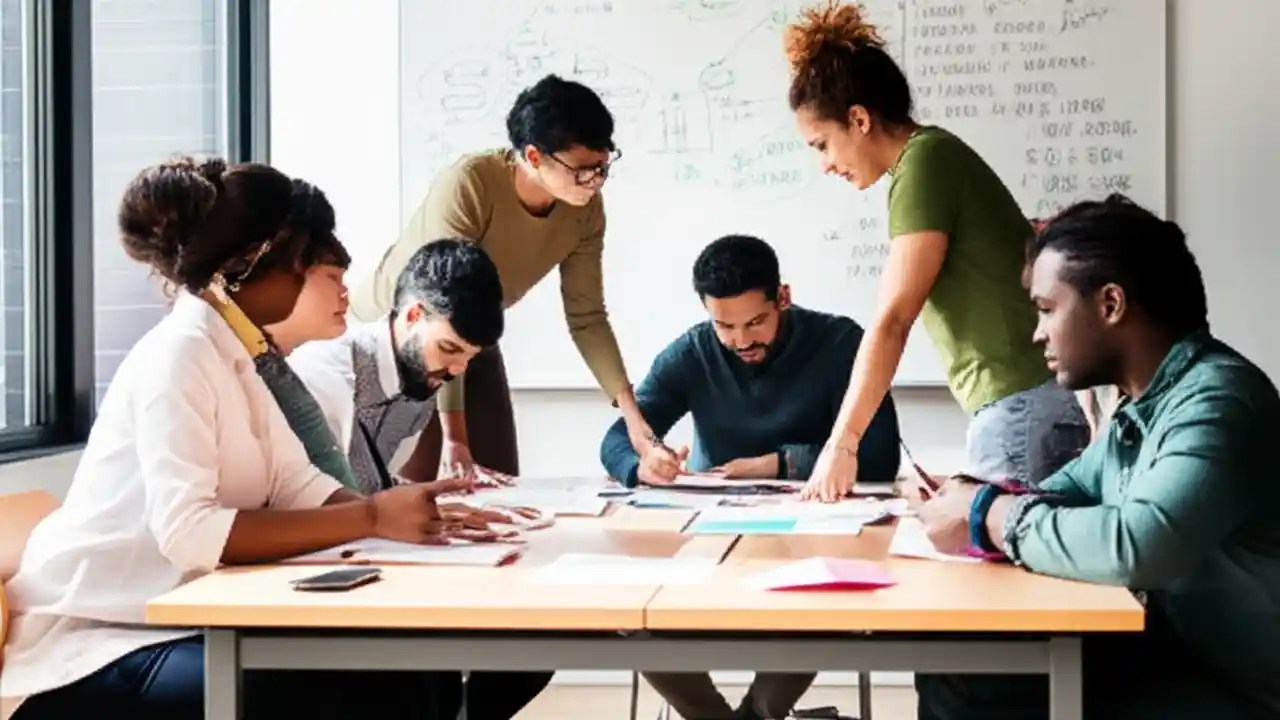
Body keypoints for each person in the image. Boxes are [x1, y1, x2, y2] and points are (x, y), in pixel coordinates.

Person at [0, 158, 461, 720]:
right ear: (243, 268)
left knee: (407, 672)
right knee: (354, 684)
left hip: (173, 621)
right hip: (98, 643)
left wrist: (400, 515)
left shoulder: (237, 352)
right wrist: (371, 519)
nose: (302, 280)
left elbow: (297, 482)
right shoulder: (181, 354)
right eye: (297, 266)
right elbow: (190, 532)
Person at [916, 195, 1280, 719]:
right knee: (962, 668)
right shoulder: (1141, 407)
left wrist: (984, 514)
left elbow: (1139, 543)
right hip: (1181, 650)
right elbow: (1061, 493)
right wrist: (972, 492)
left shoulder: (1218, 400)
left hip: (1239, 687)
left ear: (1110, 304)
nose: (1037, 332)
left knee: (978, 680)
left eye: (1046, 309)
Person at [782, 1, 1088, 502]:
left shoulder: (924, 165)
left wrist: (842, 444)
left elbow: (893, 319)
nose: (824, 164)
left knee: (1000, 576)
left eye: (821, 144)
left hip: (1020, 405)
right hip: (1026, 404)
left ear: (858, 119)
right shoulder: (930, 159)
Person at [600, 235, 901, 720]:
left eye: (756, 322)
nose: (741, 341)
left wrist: (778, 463)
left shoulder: (840, 342)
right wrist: (643, 463)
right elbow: (617, 439)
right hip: (713, 536)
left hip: (814, 532)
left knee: (825, 605)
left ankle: (760, 714)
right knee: (634, 617)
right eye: (725, 326)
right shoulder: (693, 352)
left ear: (783, 297)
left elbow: (881, 456)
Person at [349, 73, 659, 488]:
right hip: (407, 335)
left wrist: (634, 420)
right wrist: (455, 439)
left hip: (471, 336)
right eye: (583, 170)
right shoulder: (470, 183)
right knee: (422, 486)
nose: (595, 181)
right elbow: (442, 309)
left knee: (500, 480)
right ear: (533, 157)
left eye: (603, 166)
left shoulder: (585, 209)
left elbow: (586, 316)